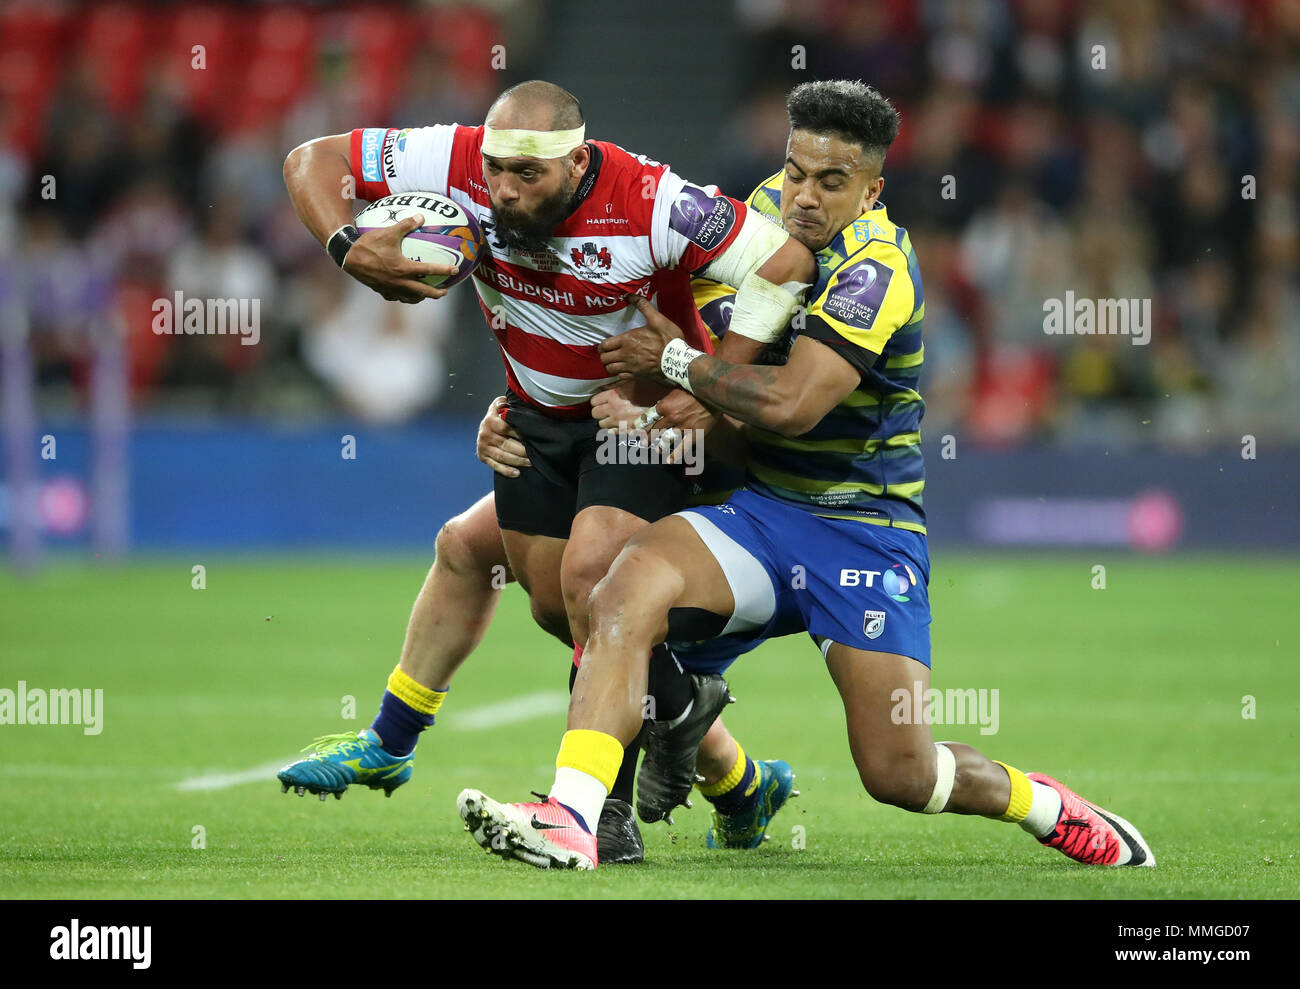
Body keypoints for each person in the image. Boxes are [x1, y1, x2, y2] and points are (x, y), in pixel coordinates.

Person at [456, 80, 1156, 871]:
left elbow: (787, 403)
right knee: (614, 586)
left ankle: (1043, 802)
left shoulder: (876, 267)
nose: (804, 196)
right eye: (795, 172)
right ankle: (576, 816)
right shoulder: (751, 220)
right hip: (757, 512)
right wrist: (528, 401)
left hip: (861, 528)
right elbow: (636, 322)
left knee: (900, 772)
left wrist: (678, 369)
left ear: (871, 190)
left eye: (831, 182)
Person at [277, 80, 815, 859]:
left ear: (576, 163)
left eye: (526, 176)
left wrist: (708, 381)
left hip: (638, 418)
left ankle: (603, 815)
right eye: (495, 169)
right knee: (494, 567)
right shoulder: (456, 157)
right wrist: (347, 245)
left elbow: (788, 259)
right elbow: (311, 161)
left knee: (595, 583)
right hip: (537, 423)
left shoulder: (656, 199)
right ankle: (726, 766)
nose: (501, 189)